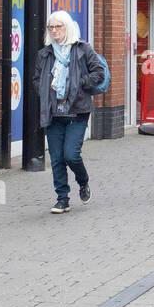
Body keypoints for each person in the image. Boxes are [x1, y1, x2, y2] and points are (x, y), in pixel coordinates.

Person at [33, 11, 106, 214]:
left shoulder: (82, 49)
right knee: (56, 158)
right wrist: (44, 90)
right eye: (51, 27)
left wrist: (80, 83)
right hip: (53, 112)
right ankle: (62, 199)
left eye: (59, 26)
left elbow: (98, 73)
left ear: (67, 27)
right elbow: (36, 80)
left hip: (77, 111)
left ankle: (83, 181)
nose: (54, 30)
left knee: (71, 155)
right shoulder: (44, 53)